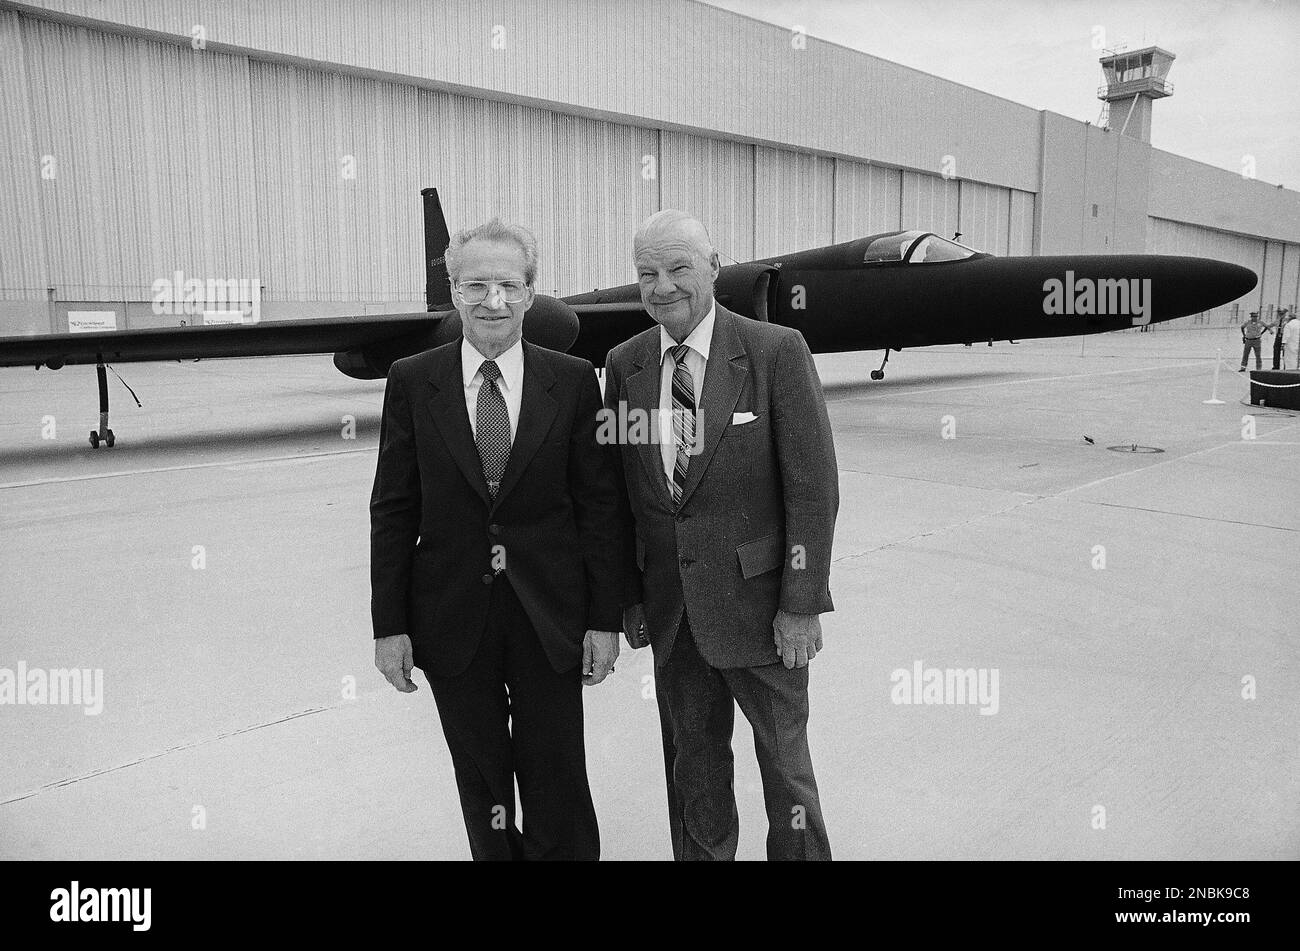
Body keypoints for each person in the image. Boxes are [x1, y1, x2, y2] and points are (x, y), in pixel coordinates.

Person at [370, 219, 622, 860]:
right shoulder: (412, 380)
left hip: (549, 615)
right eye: (476, 285)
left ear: (531, 292)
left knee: (557, 772)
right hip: (452, 615)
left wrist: (604, 619)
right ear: (453, 291)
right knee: (482, 779)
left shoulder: (572, 380)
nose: (494, 301)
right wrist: (389, 626)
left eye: (509, 285)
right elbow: (394, 509)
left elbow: (597, 508)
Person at [604, 210, 840, 860]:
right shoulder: (624, 364)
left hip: (763, 610)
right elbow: (623, 494)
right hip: (673, 613)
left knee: (787, 774)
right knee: (694, 769)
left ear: (713, 266)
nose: (663, 286)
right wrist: (629, 597)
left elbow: (812, 490)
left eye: (678, 268)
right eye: (647, 273)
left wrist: (801, 603)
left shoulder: (775, 351)